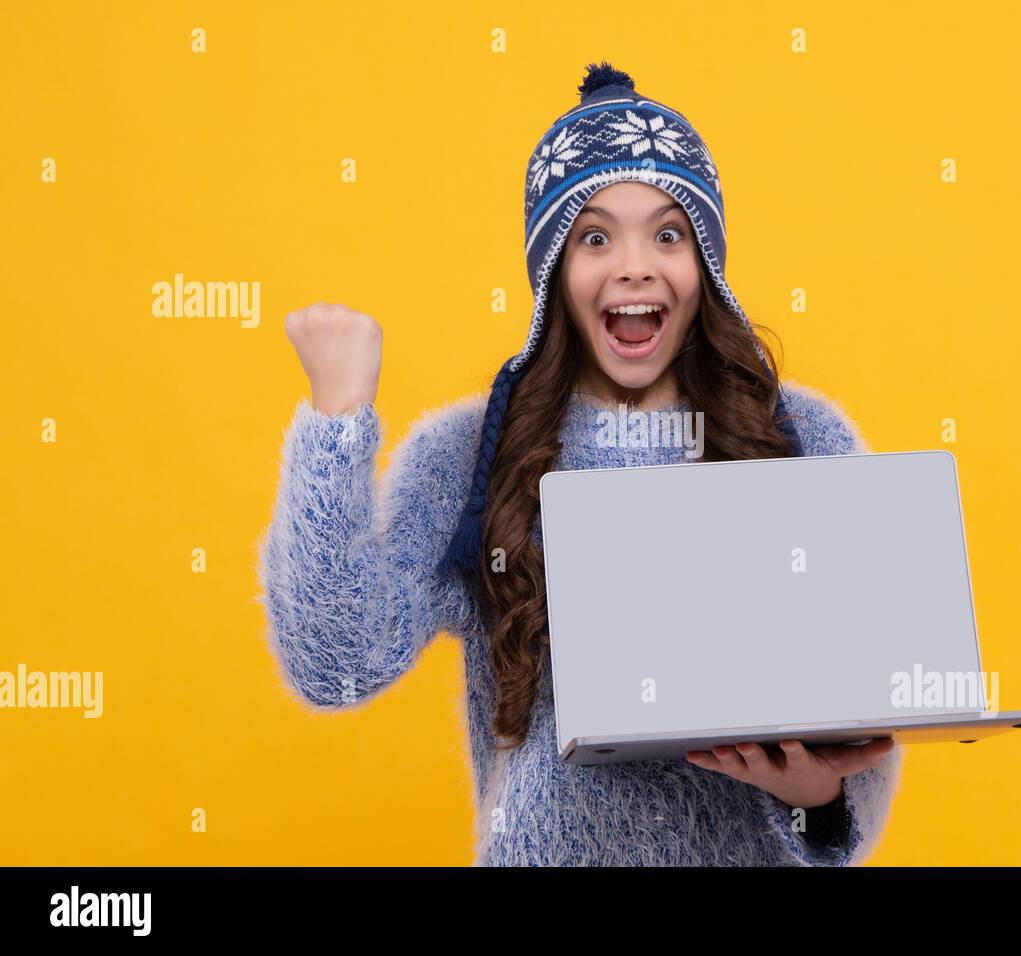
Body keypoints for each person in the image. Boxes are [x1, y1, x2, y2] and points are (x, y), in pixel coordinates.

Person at [255, 61, 903, 866]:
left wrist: (815, 797)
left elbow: (862, 741)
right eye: (595, 236)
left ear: (704, 267)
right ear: (554, 273)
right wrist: (336, 421)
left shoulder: (802, 436)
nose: (634, 265)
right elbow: (336, 665)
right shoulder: (474, 454)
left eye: (668, 233)